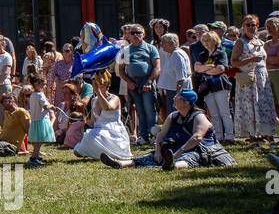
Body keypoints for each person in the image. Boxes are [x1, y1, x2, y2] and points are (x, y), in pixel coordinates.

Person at [101, 89, 236, 170]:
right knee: (149, 157)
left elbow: (197, 138)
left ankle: (173, 166)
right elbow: (161, 135)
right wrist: (158, 151)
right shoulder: (173, 116)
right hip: (173, 149)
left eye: (178, 97)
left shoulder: (199, 116)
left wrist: (177, 153)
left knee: (189, 158)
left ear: (187, 102)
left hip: (197, 149)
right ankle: (120, 163)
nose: (174, 98)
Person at [73, 71, 133, 163]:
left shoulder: (114, 98)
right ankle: (99, 152)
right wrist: (80, 120)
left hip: (113, 133)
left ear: (107, 84)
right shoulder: (94, 100)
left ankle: (106, 153)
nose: (99, 86)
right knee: (77, 151)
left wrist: (97, 92)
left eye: (101, 84)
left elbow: (108, 107)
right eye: (97, 84)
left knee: (91, 136)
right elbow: (93, 121)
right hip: (98, 131)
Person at [116, 23, 160, 143]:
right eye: (132, 33)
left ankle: (154, 136)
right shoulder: (125, 50)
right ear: (128, 35)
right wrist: (129, 82)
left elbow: (157, 67)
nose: (135, 35)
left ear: (144, 34)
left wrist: (149, 81)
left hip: (147, 82)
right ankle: (143, 136)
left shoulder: (151, 48)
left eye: (138, 32)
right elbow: (121, 70)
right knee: (139, 111)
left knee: (150, 109)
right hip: (133, 84)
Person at [193, 30, 234, 142]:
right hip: (207, 86)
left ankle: (230, 136)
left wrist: (205, 68)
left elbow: (220, 69)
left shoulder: (221, 53)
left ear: (214, 40)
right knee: (213, 113)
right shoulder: (202, 55)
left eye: (208, 40)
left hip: (220, 84)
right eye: (204, 40)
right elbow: (196, 68)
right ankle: (219, 136)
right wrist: (211, 66)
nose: (205, 42)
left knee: (224, 112)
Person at [155, 33, 191, 119]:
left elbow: (181, 77)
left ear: (171, 43)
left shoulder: (177, 54)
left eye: (163, 42)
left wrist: (177, 95)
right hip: (172, 89)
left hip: (177, 91)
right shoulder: (171, 54)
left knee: (176, 114)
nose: (161, 44)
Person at [26, 74, 55, 167]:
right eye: (43, 84)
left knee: (38, 140)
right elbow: (45, 106)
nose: (44, 86)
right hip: (41, 120)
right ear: (37, 84)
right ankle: (33, 158)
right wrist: (52, 107)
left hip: (35, 120)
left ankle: (36, 156)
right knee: (39, 141)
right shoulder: (40, 95)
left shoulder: (32, 95)